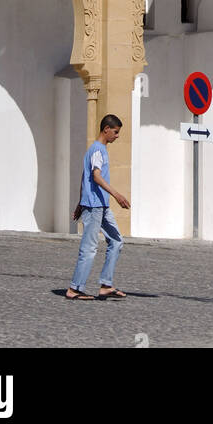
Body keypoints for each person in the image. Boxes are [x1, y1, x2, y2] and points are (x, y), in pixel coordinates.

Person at [66, 114, 131, 300]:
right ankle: (75, 289)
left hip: (101, 206)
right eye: (116, 132)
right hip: (94, 207)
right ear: (106, 129)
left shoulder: (100, 150)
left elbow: (83, 177)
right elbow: (95, 176)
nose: (117, 136)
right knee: (89, 247)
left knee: (117, 241)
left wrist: (79, 201)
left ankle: (106, 285)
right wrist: (117, 195)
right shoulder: (97, 150)